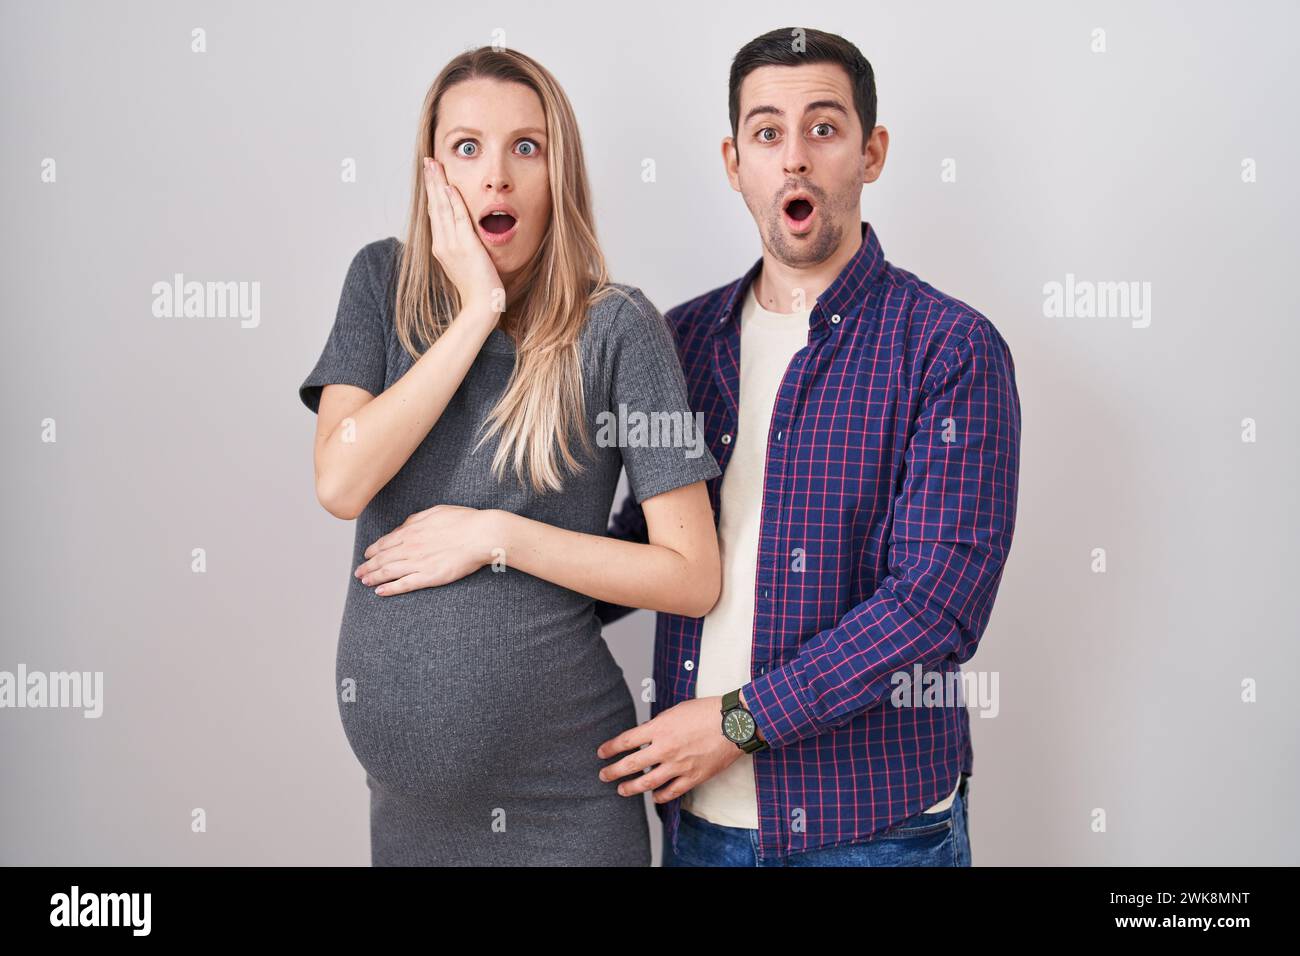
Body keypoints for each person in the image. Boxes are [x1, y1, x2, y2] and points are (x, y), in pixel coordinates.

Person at [593, 27, 1022, 867]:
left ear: (872, 151)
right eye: (767, 132)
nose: (794, 157)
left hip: (878, 831)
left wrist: (736, 724)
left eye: (823, 129)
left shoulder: (950, 347)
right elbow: (651, 549)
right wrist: (494, 558)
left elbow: (936, 605)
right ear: (733, 161)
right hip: (698, 824)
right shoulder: (676, 341)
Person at [297, 46, 721, 866]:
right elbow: (341, 481)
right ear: (432, 173)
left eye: (526, 148)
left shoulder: (619, 328)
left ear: (560, 170)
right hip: (411, 819)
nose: (496, 177)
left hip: (564, 803)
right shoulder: (379, 284)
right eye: (468, 148)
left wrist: (499, 534)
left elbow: (691, 573)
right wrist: (476, 313)